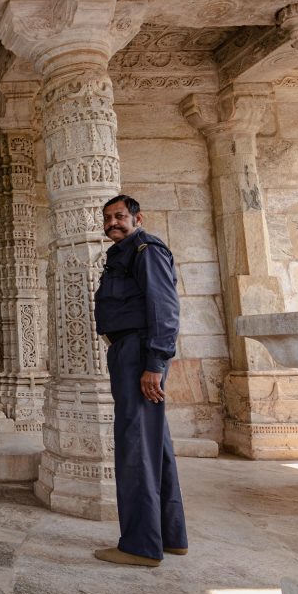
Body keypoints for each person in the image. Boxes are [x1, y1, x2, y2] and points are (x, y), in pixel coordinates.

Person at [93, 194, 188, 568]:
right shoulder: (124, 252)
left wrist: (154, 363)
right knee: (153, 445)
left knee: (134, 445)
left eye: (119, 216)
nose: (112, 222)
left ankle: (139, 545)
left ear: (137, 218)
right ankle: (170, 536)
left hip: (139, 353)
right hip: (130, 351)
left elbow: (164, 308)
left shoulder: (146, 250)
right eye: (107, 218)